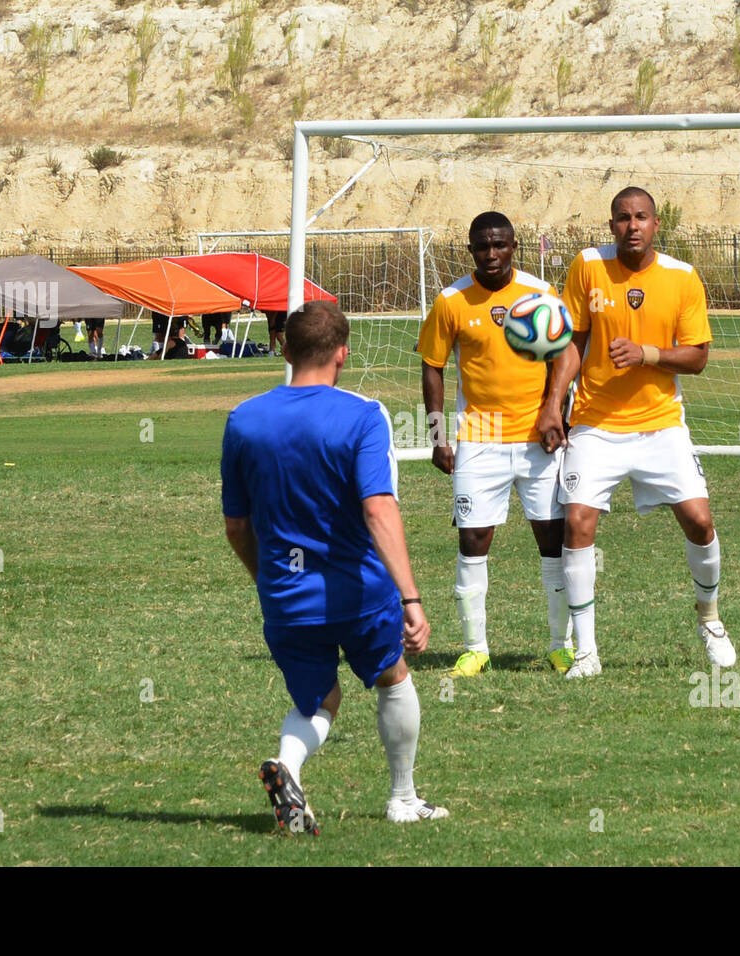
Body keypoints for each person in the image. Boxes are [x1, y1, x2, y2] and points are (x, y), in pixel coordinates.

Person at [222, 300, 447, 832]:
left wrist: (268, 579)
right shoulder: (363, 414)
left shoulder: (243, 419)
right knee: (393, 678)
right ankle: (403, 798)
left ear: (283, 347)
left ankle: (288, 765)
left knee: (318, 698)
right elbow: (378, 508)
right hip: (357, 591)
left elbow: (236, 526)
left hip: (285, 594)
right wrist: (410, 598)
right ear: (343, 353)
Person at [542, 185, 736, 679]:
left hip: (660, 425)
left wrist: (647, 353)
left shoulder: (682, 277)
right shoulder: (587, 266)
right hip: (595, 424)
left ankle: (710, 619)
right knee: (578, 523)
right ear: (612, 226)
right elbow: (568, 344)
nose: (633, 226)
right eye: (623, 218)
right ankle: (586, 652)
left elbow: (698, 357)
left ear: (656, 225)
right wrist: (552, 405)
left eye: (642, 217)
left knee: (700, 522)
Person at [417, 210, 576, 678]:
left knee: (553, 542)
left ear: (513, 247)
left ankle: (559, 646)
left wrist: (555, 411)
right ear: (470, 249)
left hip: (537, 439)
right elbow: (432, 365)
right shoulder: (451, 300)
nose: (491, 254)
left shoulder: (540, 294)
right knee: (472, 540)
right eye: (482, 247)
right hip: (478, 438)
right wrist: (437, 434)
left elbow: (566, 354)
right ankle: (475, 649)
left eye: (500, 245)